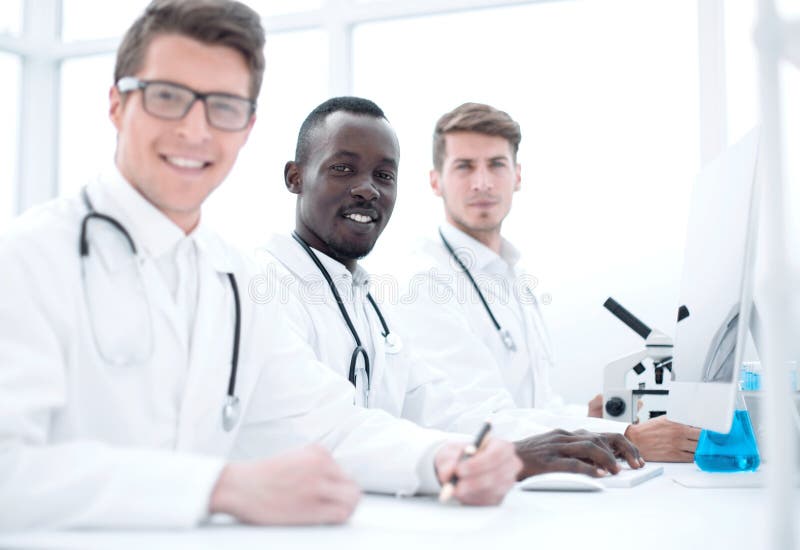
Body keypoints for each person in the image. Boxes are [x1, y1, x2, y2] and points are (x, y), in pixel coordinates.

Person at [0, 3, 521, 530]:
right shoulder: (28, 258)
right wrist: (216, 487)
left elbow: (326, 423)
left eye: (223, 106)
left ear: (246, 126)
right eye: (167, 97)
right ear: (117, 104)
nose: (194, 129)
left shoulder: (234, 280)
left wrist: (440, 459)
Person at [257, 96, 645, 481]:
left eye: (384, 176)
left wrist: (593, 432)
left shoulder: (367, 302)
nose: (368, 190)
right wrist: (473, 458)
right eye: (343, 168)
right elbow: (327, 429)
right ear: (295, 177)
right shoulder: (266, 288)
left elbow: (444, 412)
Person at [392, 102, 700, 462]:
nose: (482, 182)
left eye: (496, 164)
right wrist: (624, 436)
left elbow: (535, 404)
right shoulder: (425, 283)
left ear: (517, 176)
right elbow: (475, 418)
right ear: (435, 181)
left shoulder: (512, 277)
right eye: (464, 166)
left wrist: (585, 420)